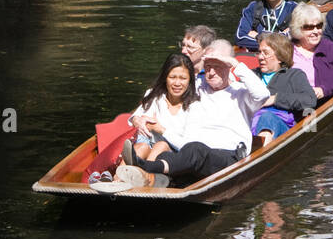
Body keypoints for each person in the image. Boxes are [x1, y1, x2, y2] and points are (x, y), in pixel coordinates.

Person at [114, 39, 272, 188]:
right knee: (166, 155)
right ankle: (152, 180)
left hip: (228, 156)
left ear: (228, 66)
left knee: (195, 150)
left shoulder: (241, 93)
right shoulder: (197, 87)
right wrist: (136, 118)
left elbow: (262, 94)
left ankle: (144, 167)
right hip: (190, 155)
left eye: (218, 66)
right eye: (208, 66)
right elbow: (162, 90)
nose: (211, 72)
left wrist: (235, 63)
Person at [123, 52, 198, 166]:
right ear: (165, 78)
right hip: (147, 146)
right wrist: (137, 121)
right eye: (172, 77)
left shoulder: (195, 106)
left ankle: (145, 174)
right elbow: (134, 118)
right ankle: (116, 179)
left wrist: (161, 129)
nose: (177, 83)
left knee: (161, 146)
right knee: (142, 147)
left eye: (183, 78)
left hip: (175, 154)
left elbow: (190, 146)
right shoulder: (154, 96)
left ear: (190, 80)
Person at [251, 32, 317, 147]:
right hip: (250, 121)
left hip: (280, 125)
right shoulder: (252, 75)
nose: (260, 57)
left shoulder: (294, 75)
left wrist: (275, 99)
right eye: (259, 52)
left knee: (267, 118)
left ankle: (257, 156)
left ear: (280, 57)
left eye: (266, 53)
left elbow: (309, 100)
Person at [289, 1, 333, 101]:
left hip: (324, 103)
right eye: (309, 27)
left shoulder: (329, 48)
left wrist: (324, 90)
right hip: (293, 104)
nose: (315, 31)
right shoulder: (287, 50)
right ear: (298, 29)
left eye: (319, 26)